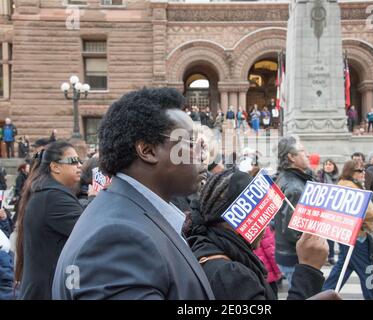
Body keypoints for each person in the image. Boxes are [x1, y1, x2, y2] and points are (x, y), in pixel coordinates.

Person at [52, 87, 214, 300]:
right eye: (191, 142)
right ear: (147, 151)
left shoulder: (128, 216)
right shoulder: (117, 238)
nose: (202, 153)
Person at [188, 168, 331, 300]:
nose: (266, 226)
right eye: (260, 218)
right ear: (235, 221)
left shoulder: (208, 247)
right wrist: (309, 268)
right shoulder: (230, 275)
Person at [14, 141, 84, 300]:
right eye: (73, 161)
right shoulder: (54, 197)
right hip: (47, 291)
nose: (80, 165)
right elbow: (90, 231)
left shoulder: (46, 192)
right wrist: (95, 199)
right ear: (55, 167)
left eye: (80, 160)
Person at [322, 160, 373, 300]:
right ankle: (371, 298)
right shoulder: (352, 187)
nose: (363, 173)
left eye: (364, 170)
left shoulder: (344, 184)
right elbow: (368, 213)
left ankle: (323, 295)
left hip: (347, 234)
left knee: (342, 268)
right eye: (360, 171)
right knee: (367, 270)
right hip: (358, 236)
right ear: (350, 172)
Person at [274, 136, 314, 288]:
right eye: (302, 151)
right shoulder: (294, 188)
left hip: (286, 253)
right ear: (291, 157)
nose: (308, 154)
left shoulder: (285, 178)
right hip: (295, 256)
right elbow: (294, 231)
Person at [316, 159, 339, 265]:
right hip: (322, 207)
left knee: (331, 235)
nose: (328, 166)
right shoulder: (319, 177)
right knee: (321, 234)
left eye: (330, 164)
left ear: (334, 166)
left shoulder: (338, 178)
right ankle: (322, 257)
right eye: (326, 164)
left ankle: (330, 256)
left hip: (333, 208)